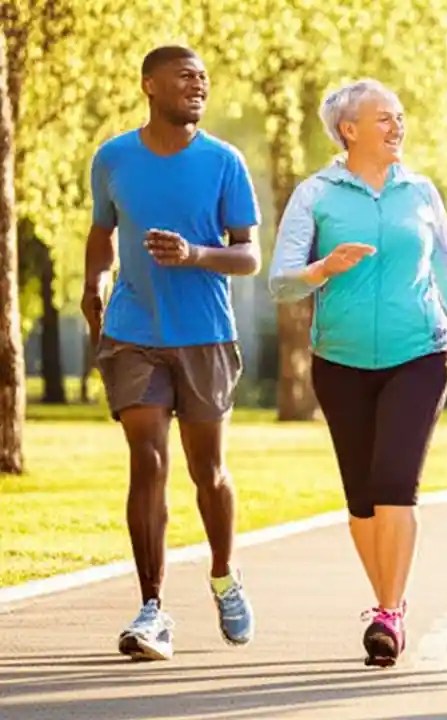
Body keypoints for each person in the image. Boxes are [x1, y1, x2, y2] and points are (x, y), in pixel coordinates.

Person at [268, 78, 447, 668]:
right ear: (348, 130)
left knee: (396, 483)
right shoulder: (315, 194)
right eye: (384, 118)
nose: (398, 127)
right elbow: (280, 281)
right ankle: (385, 603)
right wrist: (323, 268)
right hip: (340, 362)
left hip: (419, 354)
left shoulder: (420, 192)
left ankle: (389, 612)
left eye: (399, 116)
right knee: (362, 500)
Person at [81, 45, 262, 661]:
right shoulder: (113, 158)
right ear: (149, 85)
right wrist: (94, 284)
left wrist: (194, 255)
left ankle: (224, 576)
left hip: (205, 332)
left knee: (207, 471)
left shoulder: (223, 161)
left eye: (204, 78)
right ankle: (152, 608)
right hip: (133, 330)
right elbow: (102, 232)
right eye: (185, 76)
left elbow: (248, 255)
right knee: (148, 460)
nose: (198, 85)